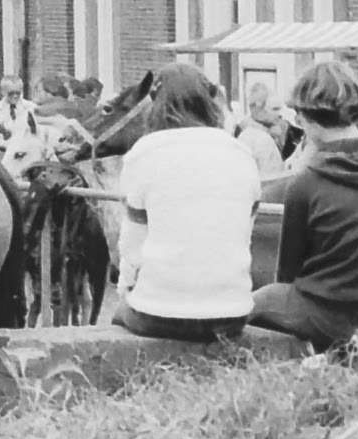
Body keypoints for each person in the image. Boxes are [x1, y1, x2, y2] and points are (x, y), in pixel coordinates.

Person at [111, 63, 260, 342]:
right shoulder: (242, 153)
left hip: (159, 313)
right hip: (232, 315)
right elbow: (243, 234)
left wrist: (127, 290)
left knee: (118, 312)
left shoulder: (142, 154)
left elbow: (131, 248)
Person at [249, 62, 358, 351]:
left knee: (249, 303)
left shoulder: (306, 182)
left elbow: (287, 273)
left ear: (306, 118)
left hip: (327, 314)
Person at [235, 82, 286, 178]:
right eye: (275, 109)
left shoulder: (274, 130)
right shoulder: (258, 138)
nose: (279, 115)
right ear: (257, 108)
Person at [0, 76, 39, 152]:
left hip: (26, 155)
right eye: (11, 93)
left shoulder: (31, 108)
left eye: (18, 93)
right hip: (3, 155)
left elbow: (38, 135)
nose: (15, 96)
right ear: (3, 92)